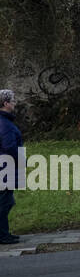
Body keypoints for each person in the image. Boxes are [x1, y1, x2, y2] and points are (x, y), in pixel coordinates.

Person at [0, 90, 23, 244]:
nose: (15, 103)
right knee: (5, 201)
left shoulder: (5, 121)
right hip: (5, 168)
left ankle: (4, 232)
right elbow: (9, 147)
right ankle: (2, 235)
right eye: (13, 100)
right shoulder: (4, 123)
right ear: (6, 103)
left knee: (6, 200)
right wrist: (21, 160)